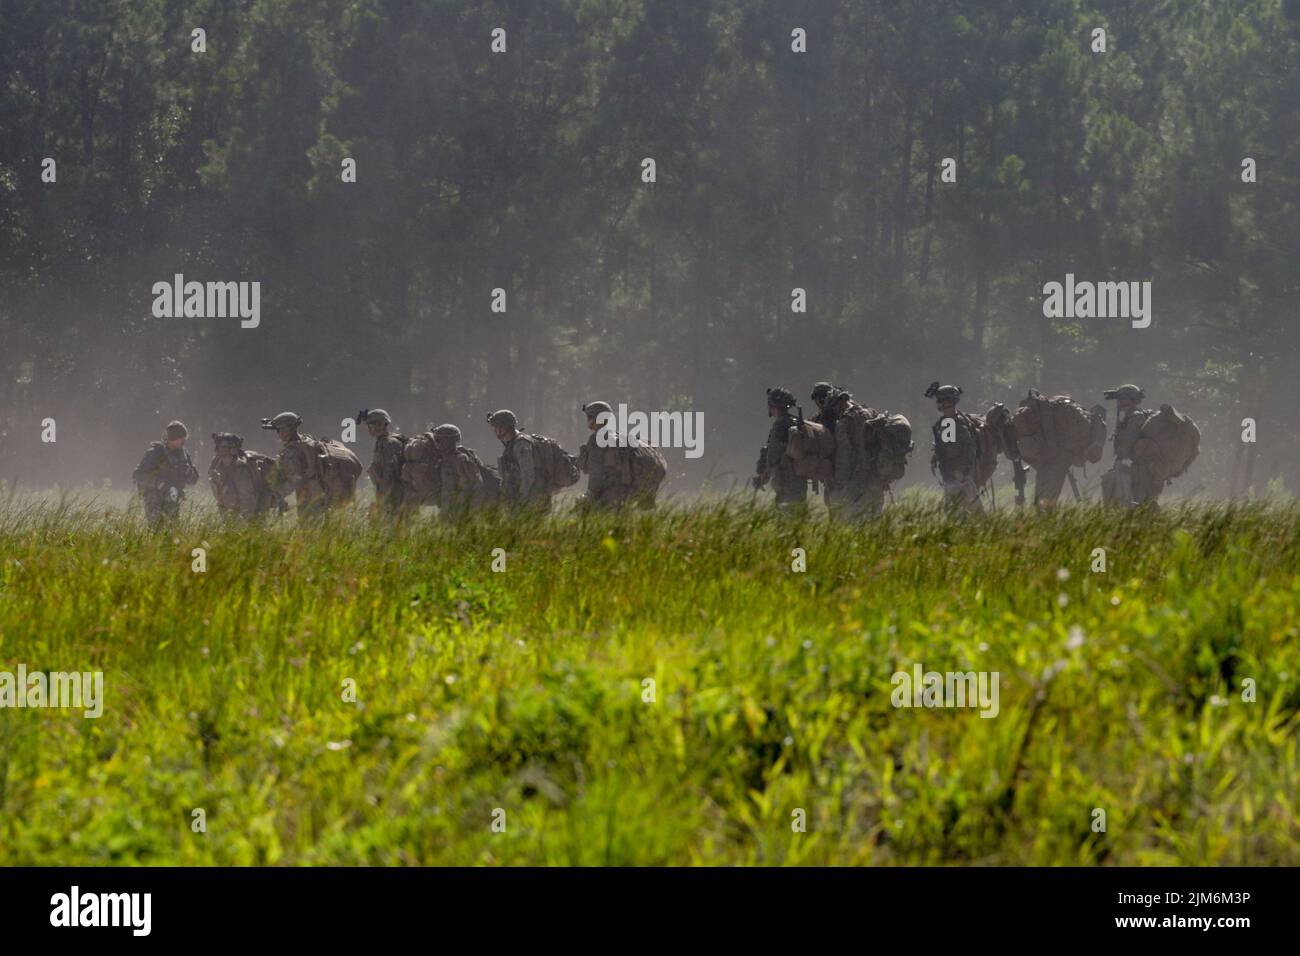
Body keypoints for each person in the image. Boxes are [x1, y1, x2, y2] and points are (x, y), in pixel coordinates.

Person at [576, 400, 667, 509]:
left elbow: (596, 473)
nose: (588, 420)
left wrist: (589, 495)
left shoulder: (597, 439)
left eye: (590, 417)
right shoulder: (621, 437)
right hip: (629, 491)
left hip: (611, 493)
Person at [928, 383, 982, 512]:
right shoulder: (948, 422)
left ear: (946, 402)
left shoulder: (950, 423)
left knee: (971, 514)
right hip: (953, 477)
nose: (938, 404)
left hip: (958, 478)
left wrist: (960, 469)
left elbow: (966, 450)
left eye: (940, 400)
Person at [132, 420, 199, 524]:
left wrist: (188, 472)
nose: (183, 441)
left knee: (171, 534)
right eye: (181, 438)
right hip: (154, 500)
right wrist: (159, 484)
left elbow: (194, 479)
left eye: (184, 438)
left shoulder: (183, 454)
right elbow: (138, 475)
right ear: (173, 438)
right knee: (156, 530)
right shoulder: (156, 452)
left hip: (172, 501)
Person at [1101, 384, 1157, 507]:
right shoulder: (1129, 417)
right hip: (1131, 464)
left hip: (1135, 466)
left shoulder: (1135, 417)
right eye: (1119, 399)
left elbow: (1128, 442)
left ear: (1132, 400)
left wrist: (1121, 461)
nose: (1119, 402)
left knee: (1129, 500)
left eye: (1123, 399)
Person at [208, 432, 284, 519]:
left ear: (233, 449)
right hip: (233, 509)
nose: (221, 450)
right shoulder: (216, 465)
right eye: (220, 447)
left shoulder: (240, 469)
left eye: (224, 447)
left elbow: (248, 499)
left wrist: (244, 523)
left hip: (255, 509)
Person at [753, 387, 807, 507]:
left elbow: (773, 458)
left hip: (786, 482)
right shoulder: (797, 422)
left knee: (787, 518)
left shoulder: (780, 426)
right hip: (800, 481)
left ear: (774, 407)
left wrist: (762, 479)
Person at [358, 408, 408, 519]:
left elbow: (389, 473)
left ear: (380, 424)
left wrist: (382, 499)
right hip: (387, 492)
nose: (369, 429)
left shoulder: (390, 443)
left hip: (394, 494)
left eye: (371, 425)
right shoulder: (381, 442)